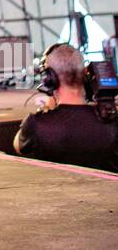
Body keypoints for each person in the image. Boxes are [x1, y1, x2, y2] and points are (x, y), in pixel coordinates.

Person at [14, 43, 118, 172]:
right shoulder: (111, 121)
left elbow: (19, 146)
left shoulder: (36, 124)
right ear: (86, 75)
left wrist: (46, 108)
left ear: (49, 79)